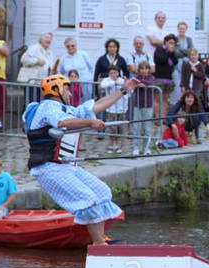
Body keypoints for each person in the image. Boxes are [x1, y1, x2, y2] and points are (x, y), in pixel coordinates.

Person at [23, 73, 138, 244]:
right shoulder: (48, 107)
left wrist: (123, 91)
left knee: (102, 192)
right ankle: (99, 245)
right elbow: (63, 123)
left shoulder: (68, 110)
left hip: (66, 167)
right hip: (47, 168)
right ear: (56, 90)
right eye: (67, 90)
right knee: (88, 199)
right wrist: (91, 123)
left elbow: (96, 106)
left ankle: (100, 239)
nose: (70, 94)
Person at [98, 65, 128, 151]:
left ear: (118, 73)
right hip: (111, 108)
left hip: (121, 108)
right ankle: (111, 145)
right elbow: (103, 85)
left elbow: (127, 91)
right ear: (109, 74)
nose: (113, 75)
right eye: (111, 73)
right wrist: (114, 83)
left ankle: (118, 145)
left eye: (115, 72)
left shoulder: (122, 81)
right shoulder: (107, 81)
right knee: (111, 127)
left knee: (119, 127)